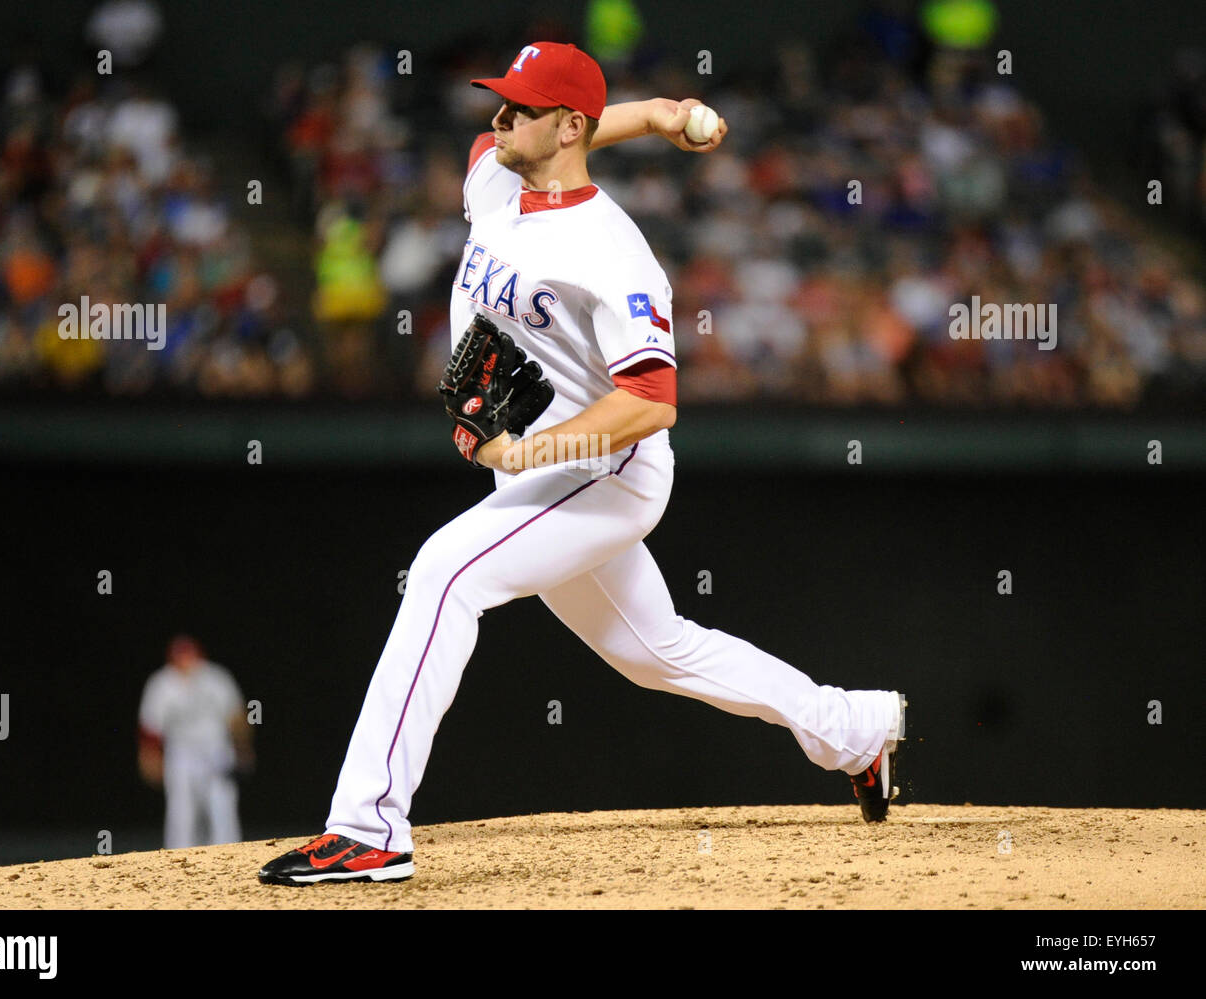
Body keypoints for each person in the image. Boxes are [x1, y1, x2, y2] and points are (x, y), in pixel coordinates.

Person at [259, 41, 905, 886]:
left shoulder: (615, 254)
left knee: (444, 573)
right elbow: (563, 133)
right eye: (502, 101)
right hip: (541, 475)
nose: (498, 118)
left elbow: (652, 400)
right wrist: (662, 114)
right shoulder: (497, 177)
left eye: (519, 107)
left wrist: (530, 449)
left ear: (564, 125)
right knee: (659, 650)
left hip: (606, 474)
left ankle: (370, 827)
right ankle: (854, 728)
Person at [138, 635, 253, 848]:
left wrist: (242, 749)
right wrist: (150, 759)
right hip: (181, 754)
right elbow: (151, 729)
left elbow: (236, 716)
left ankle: (228, 855)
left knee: (221, 806)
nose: (187, 662)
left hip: (215, 750)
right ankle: (179, 860)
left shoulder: (216, 678)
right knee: (181, 812)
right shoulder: (162, 684)